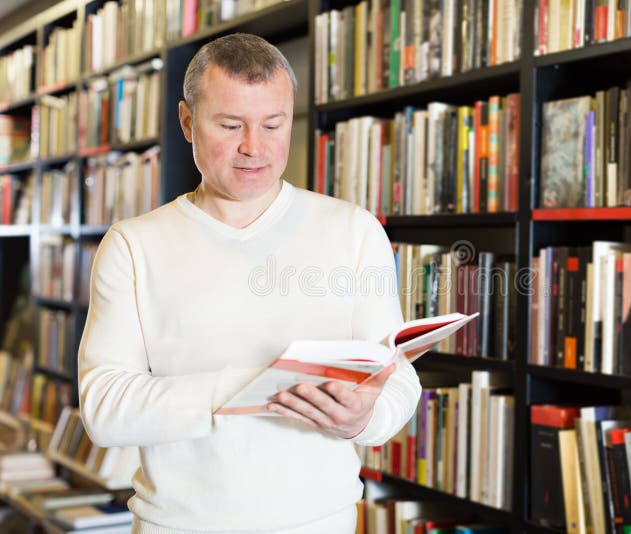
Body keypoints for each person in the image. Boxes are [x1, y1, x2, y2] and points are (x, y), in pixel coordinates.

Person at [78, 33, 421, 533]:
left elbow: (398, 382)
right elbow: (106, 409)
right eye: (231, 125)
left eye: (273, 125)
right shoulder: (133, 245)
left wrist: (362, 420)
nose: (252, 147)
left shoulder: (353, 230)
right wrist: (254, 384)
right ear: (188, 122)